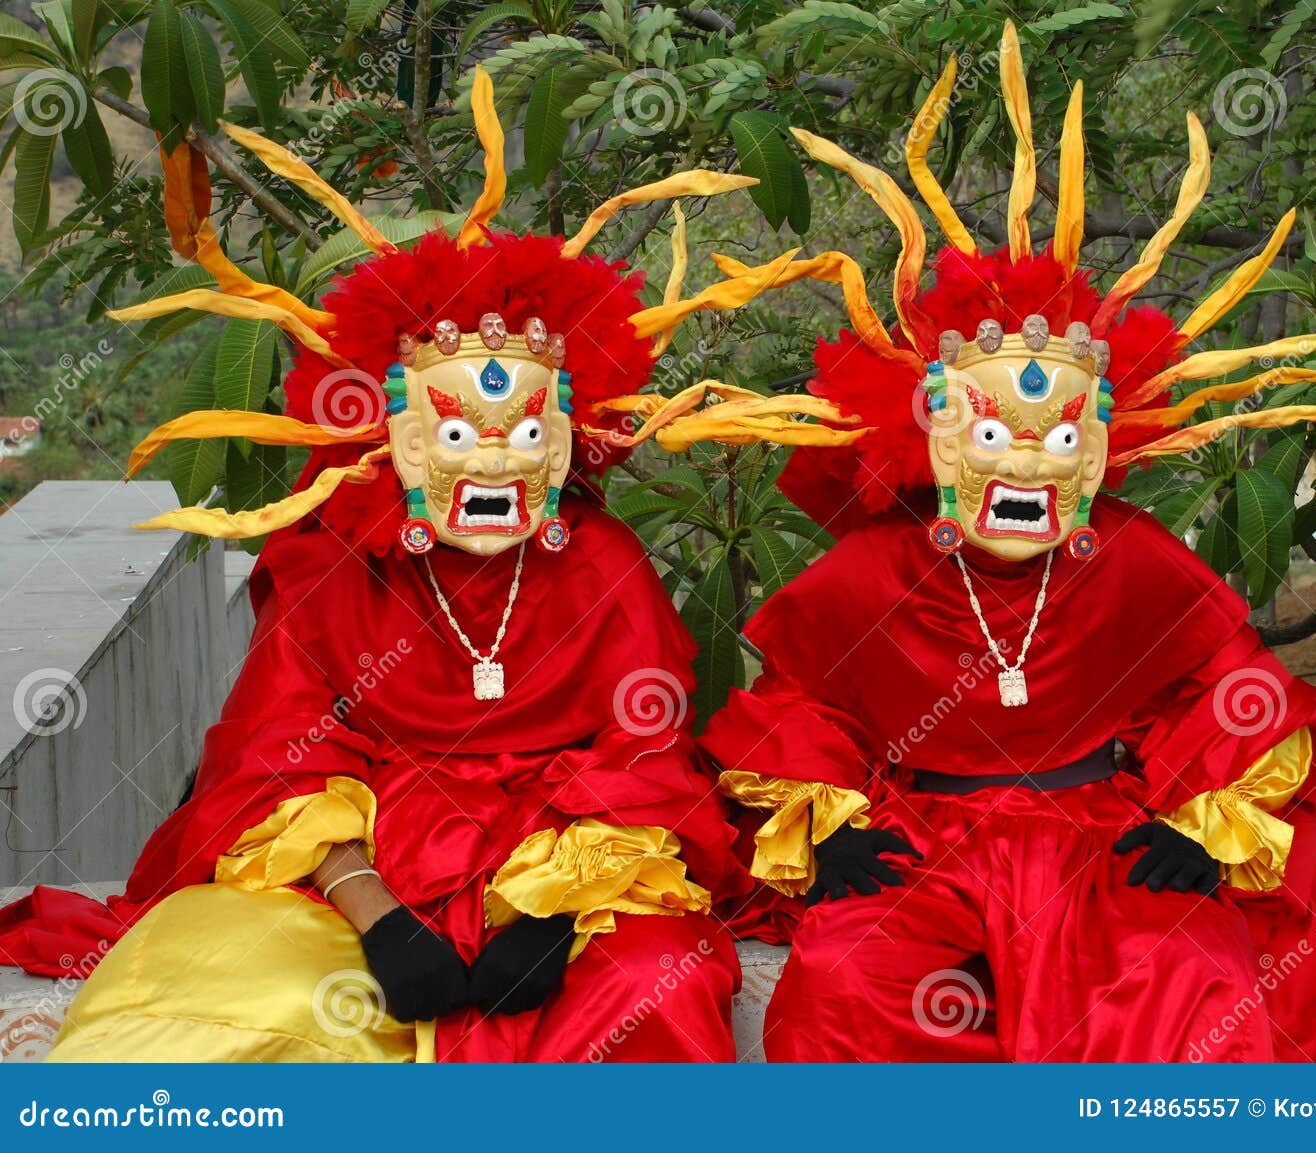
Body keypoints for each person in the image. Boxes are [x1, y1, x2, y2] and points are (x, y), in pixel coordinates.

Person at [615, 24, 1316, 1062]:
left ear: (1098, 450)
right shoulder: (874, 570)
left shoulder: (1128, 556)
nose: (1027, 464)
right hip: (920, 846)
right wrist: (834, 821)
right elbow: (795, 706)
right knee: (847, 985)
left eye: (1057, 438)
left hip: (1100, 835)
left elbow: (1229, 687)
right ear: (938, 437)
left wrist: (1204, 820)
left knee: (1188, 980)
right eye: (997, 436)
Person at [0, 68, 774, 1063]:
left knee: (642, 992)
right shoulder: (331, 566)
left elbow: (648, 762)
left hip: (580, 866)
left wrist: (552, 908)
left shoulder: (603, 565)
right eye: (458, 429)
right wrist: (376, 917)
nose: (492, 456)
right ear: (399, 442)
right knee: (227, 1007)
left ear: (563, 442)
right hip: (363, 860)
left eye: (521, 428)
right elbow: (279, 755)